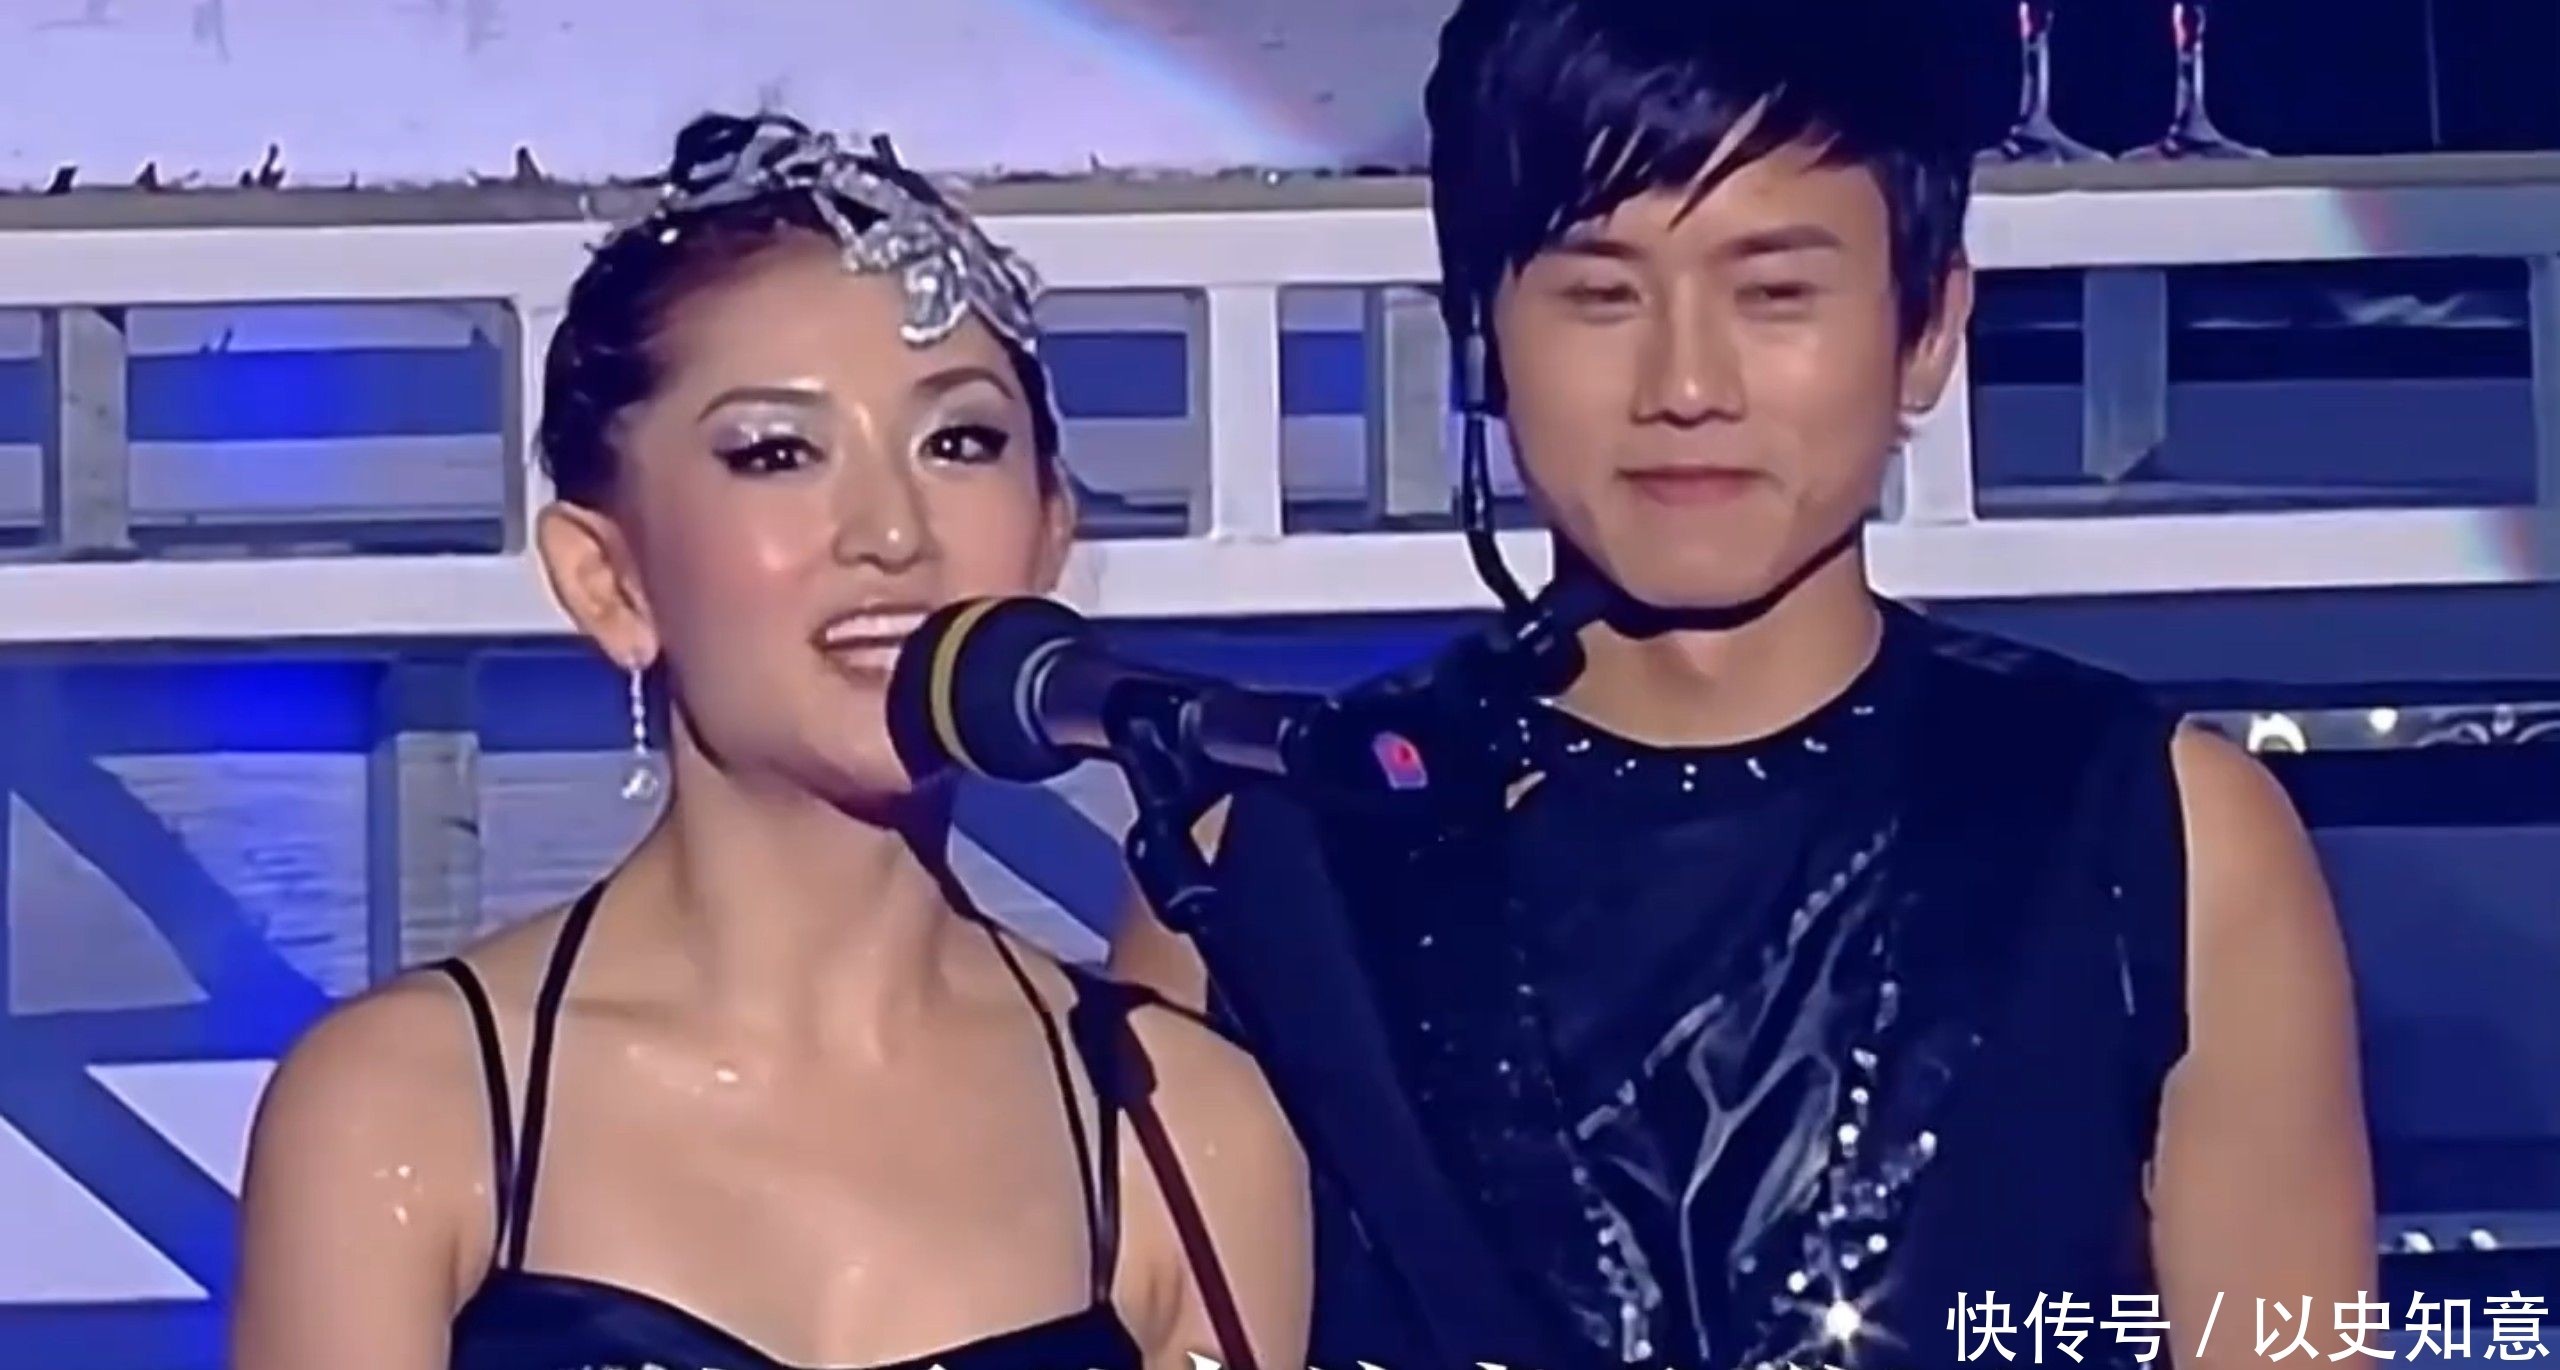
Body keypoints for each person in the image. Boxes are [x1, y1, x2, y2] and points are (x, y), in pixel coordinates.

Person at [1111, 1, 2375, 1366]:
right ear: (1478, 329)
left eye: (1774, 293)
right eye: (1601, 294)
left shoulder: (2155, 831)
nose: (1687, 384)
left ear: (1929, 326)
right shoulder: (1268, 850)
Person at [232, 112, 1309, 1370]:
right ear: (607, 577)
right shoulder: (409, 1105)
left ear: (1048, 533)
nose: (891, 533)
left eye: (958, 441)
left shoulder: (1183, 1129)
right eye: (776, 451)